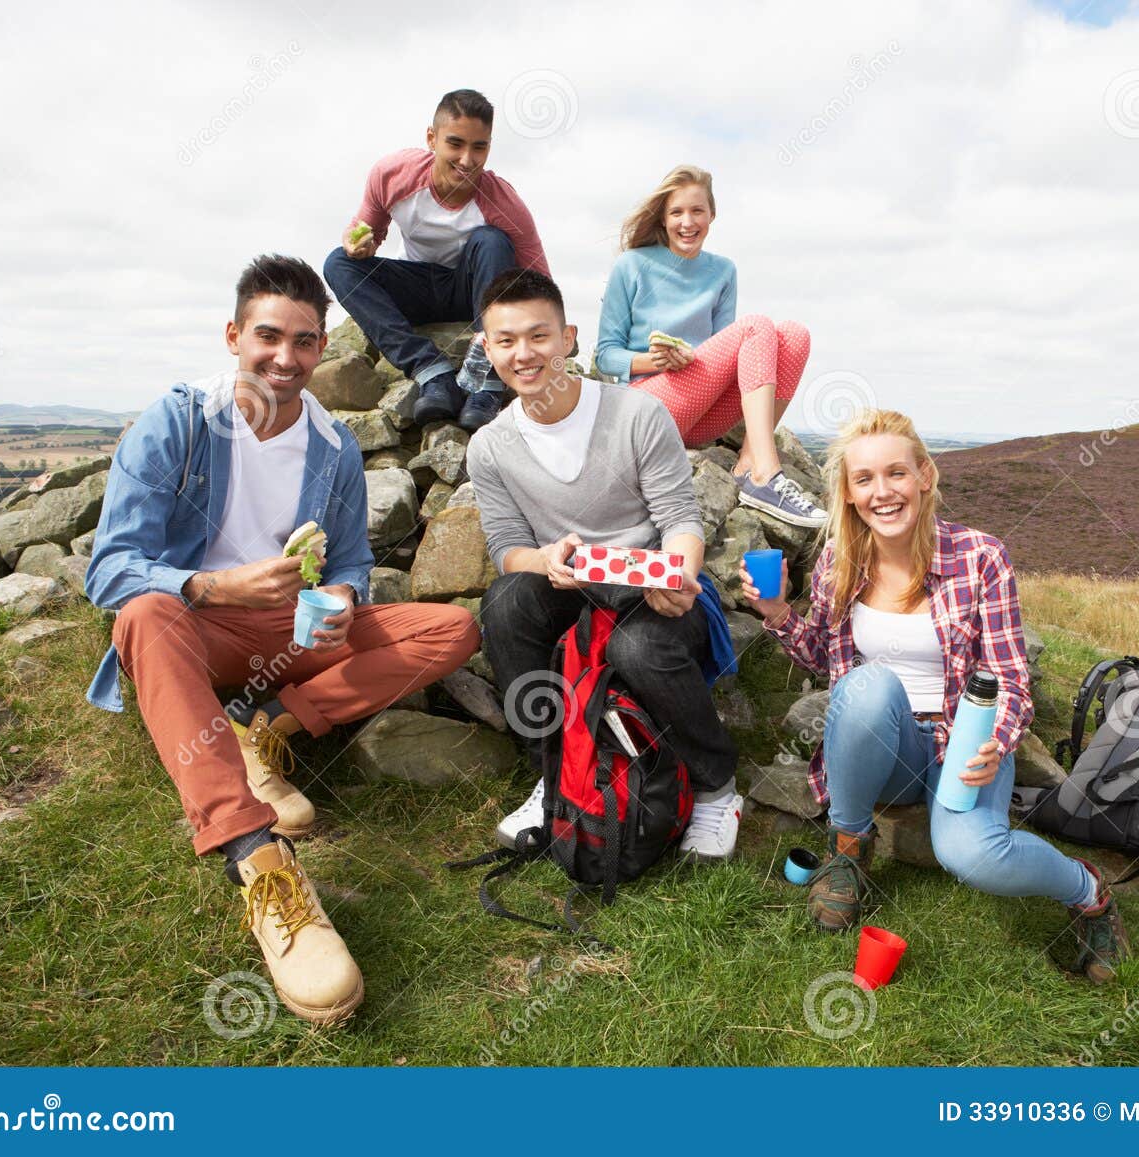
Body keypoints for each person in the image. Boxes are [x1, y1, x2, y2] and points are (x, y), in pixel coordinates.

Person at [84, 255, 480, 1024]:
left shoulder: (332, 448)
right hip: (191, 624)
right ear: (234, 335)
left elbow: (355, 558)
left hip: (289, 629)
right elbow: (111, 570)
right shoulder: (179, 422)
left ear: (322, 348)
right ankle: (256, 857)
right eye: (268, 336)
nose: (285, 358)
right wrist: (211, 585)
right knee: (142, 615)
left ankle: (269, 725)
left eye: (304, 342)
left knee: (452, 626)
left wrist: (342, 594)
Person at [739, 409, 1132, 983]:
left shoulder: (981, 558)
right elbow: (826, 660)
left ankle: (1089, 892)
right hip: (888, 744)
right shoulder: (838, 560)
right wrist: (776, 614)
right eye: (865, 479)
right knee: (869, 685)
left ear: (924, 475)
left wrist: (998, 742)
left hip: (966, 745)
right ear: (849, 493)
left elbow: (1010, 674)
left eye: (896, 473)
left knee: (974, 856)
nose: (883, 492)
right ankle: (848, 850)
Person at [465, 268, 744, 860]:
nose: (524, 354)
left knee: (637, 649)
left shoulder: (636, 415)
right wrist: (543, 558)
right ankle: (553, 772)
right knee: (506, 599)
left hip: (650, 581)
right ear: (486, 349)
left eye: (539, 337)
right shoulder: (489, 446)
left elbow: (681, 520)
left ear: (568, 338)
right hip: (572, 582)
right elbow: (507, 548)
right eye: (506, 340)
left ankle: (719, 786)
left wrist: (681, 576)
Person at [594, 165, 823, 529]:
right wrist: (653, 361)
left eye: (697, 211)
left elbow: (728, 351)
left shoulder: (723, 271)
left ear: (711, 215)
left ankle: (750, 465)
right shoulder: (632, 265)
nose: (688, 221)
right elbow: (605, 354)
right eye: (677, 212)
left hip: (702, 417)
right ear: (664, 218)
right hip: (648, 408)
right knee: (756, 326)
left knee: (795, 335)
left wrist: (694, 359)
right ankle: (768, 472)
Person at [323, 89, 548, 432]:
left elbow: (538, 278)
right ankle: (432, 371)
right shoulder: (393, 174)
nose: (467, 159)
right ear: (432, 138)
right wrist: (359, 244)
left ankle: (484, 382)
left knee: (491, 241)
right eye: (455, 143)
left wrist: (553, 337)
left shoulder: (503, 201)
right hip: (416, 289)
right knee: (337, 263)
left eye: (479, 147)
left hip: (472, 292)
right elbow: (367, 228)